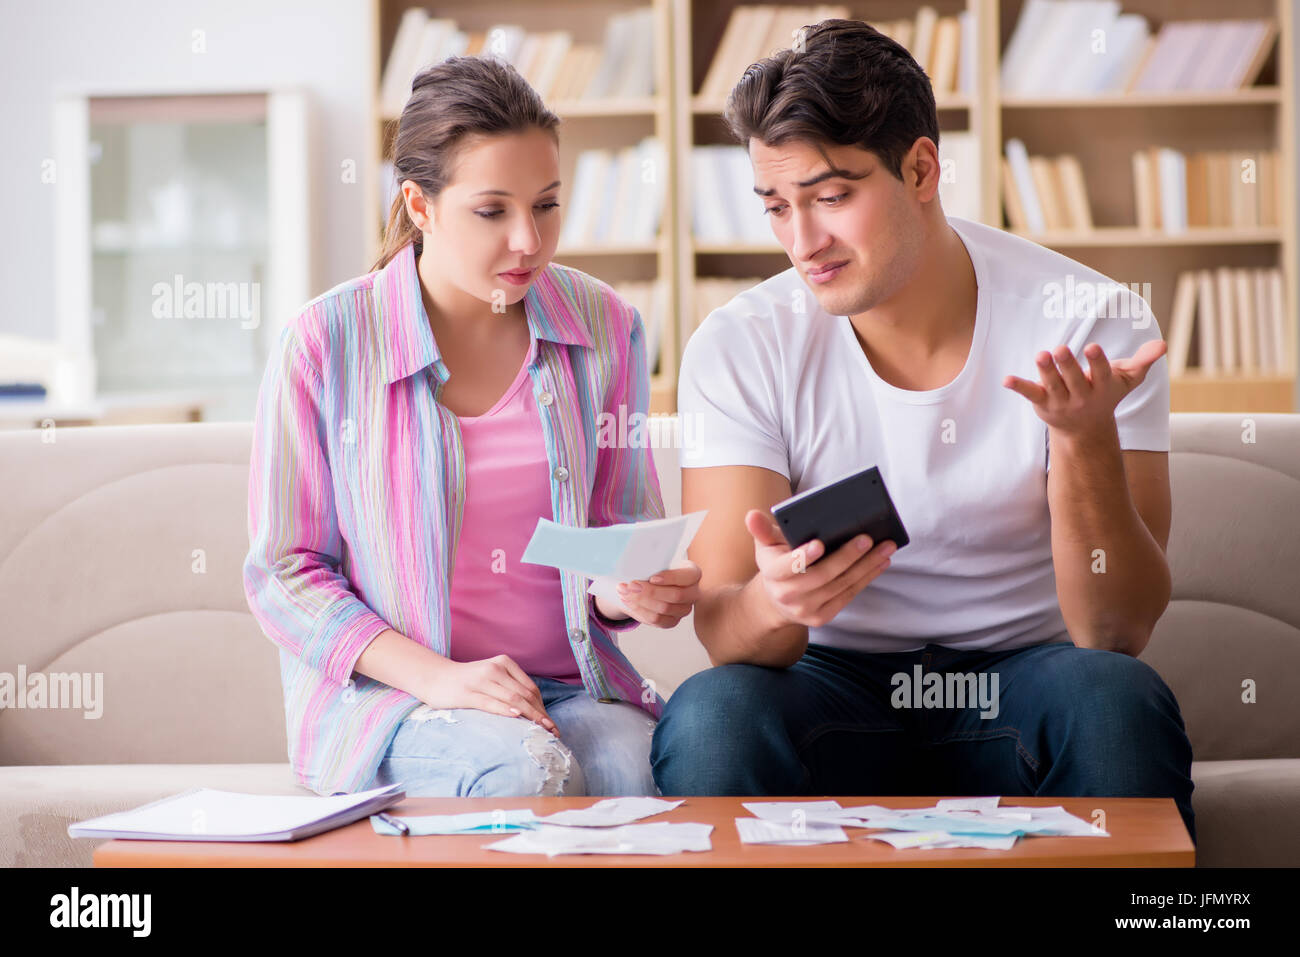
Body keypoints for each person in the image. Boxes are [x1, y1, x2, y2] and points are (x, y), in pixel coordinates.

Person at [651, 19, 1196, 844]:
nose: (804, 242)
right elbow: (725, 626)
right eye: (777, 207)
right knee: (713, 716)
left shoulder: (1090, 321)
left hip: (1024, 682)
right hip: (832, 684)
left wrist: (1083, 440)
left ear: (921, 169)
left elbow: (1114, 632)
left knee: (1117, 703)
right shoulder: (740, 344)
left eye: (832, 197)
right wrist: (778, 599)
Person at [243, 55, 700, 800]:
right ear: (419, 206)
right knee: (529, 771)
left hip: (566, 688)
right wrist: (442, 679)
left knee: (639, 767)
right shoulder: (326, 343)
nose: (529, 239)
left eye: (546, 205)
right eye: (493, 211)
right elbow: (284, 574)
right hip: (402, 702)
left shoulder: (606, 326)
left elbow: (615, 535)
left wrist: (630, 591)